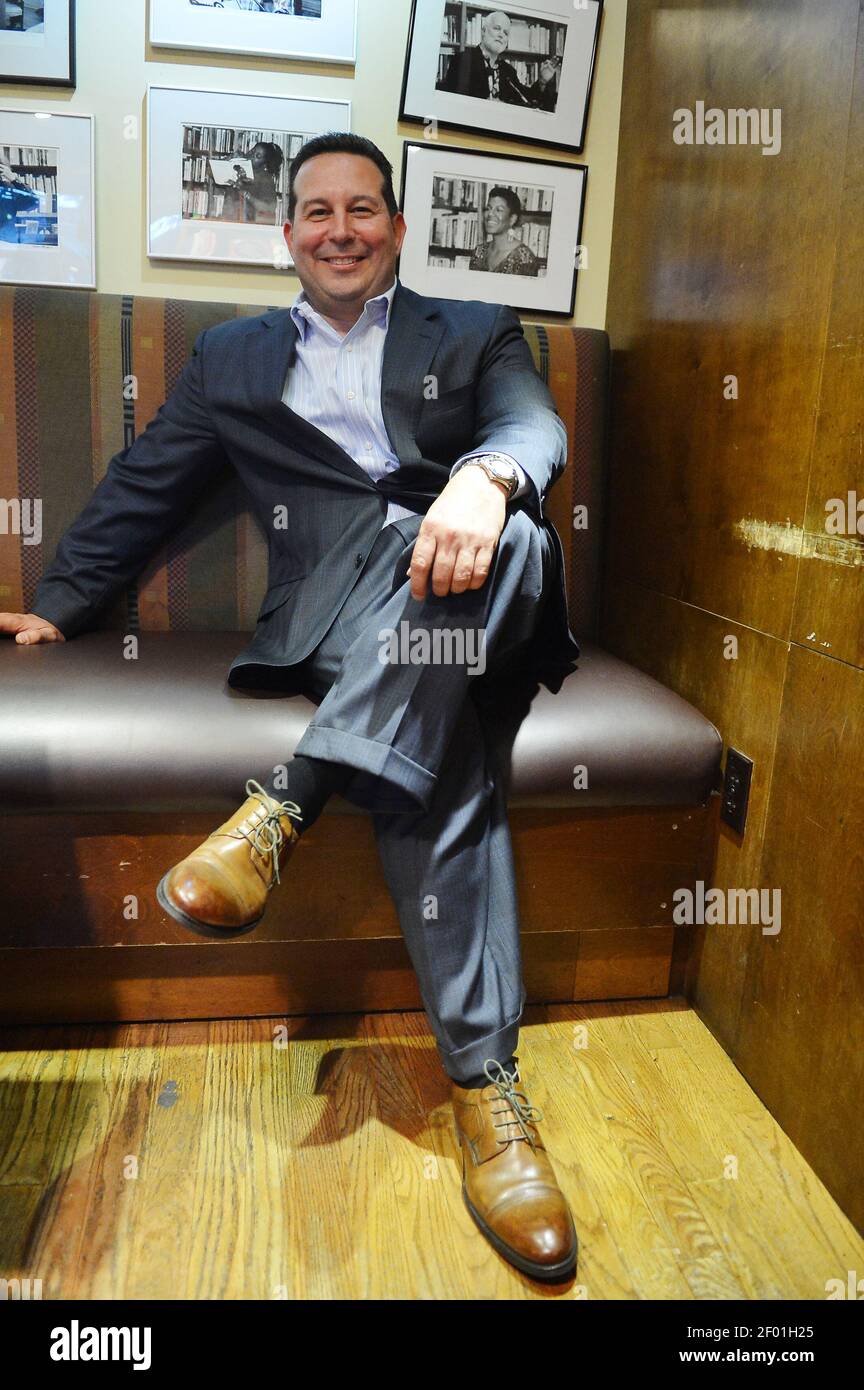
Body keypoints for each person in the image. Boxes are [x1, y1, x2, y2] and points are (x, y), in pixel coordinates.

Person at [0, 132, 580, 1282]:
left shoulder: (471, 330)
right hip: (347, 621)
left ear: (397, 228)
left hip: (473, 592)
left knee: (499, 535)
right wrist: (57, 603)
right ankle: (484, 1089)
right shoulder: (230, 358)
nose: (341, 230)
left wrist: (483, 475)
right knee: (442, 747)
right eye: (317, 212)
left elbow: (533, 428)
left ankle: (283, 806)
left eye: (363, 209)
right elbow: (145, 483)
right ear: (288, 236)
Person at [438, 9, 533, 107]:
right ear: (483, 31)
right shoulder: (462, 60)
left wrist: (542, 82)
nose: (501, 35)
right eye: (497, 28)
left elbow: (525, 96)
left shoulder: (509, 70)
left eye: (506, 33)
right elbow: (454, 102)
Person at [469, 186, 541, 276]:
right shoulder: (479, 252)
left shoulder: (524, 259)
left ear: (512, 219)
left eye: (499, 210)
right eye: (488, 208)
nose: (490, 214)